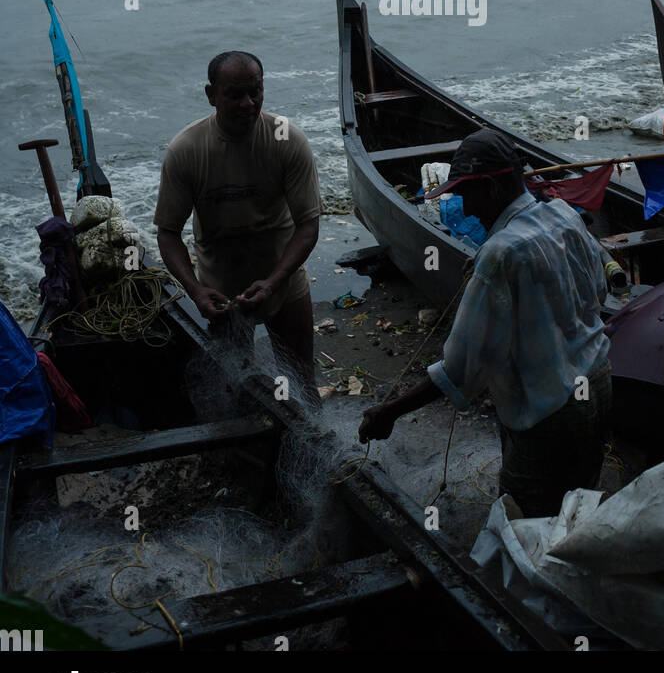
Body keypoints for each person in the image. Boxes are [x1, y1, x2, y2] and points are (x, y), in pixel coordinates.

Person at [358, 128, 612, 517]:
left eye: (468, 194)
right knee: (578, 506)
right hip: (597, 387)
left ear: (492, 188)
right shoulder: (564, 214)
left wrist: (389, 411)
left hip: (549, 413)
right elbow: (597, 293)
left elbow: (461, 369)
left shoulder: (500, 253)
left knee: (526, 522)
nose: (467, 207)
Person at [154, 51, 320, 388]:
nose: (247, 103)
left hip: (283, 283)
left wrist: (274, 281)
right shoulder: (186, 149)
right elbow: (168, 233)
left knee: (302, 383)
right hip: (220, 294)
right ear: (211, 95)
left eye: (255, 92)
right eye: (234, 94)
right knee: (235, 389)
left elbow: (308, 225)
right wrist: (196, 290)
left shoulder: (287, 139)